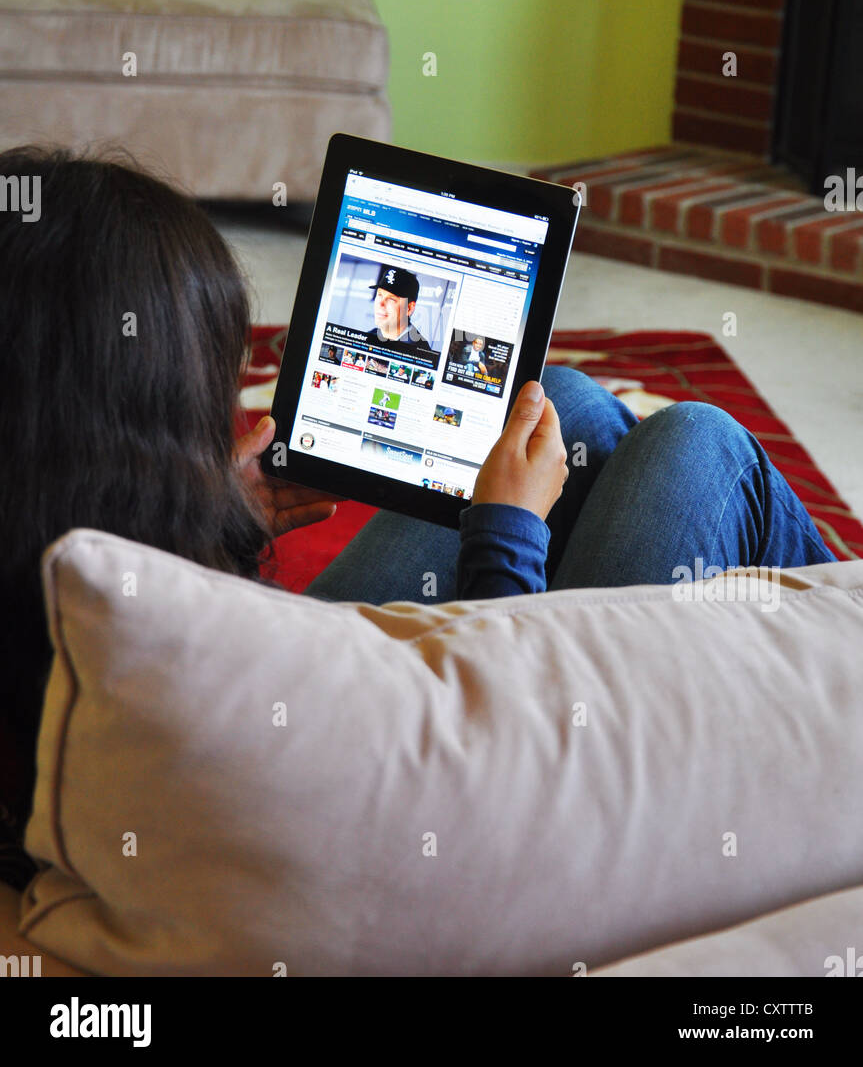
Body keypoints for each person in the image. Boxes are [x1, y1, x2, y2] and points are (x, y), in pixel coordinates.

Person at [0, 146, 835, 892]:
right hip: (483, 805)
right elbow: (499, 770)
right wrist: (505, 533)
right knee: (699, 443)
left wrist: (207, 520)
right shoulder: (174, 701)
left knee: (561, 408)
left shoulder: (52, 614)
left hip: (313, 704)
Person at [364, 265, 433, 352]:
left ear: (409, 308)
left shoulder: (419, 352)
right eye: (380, 295)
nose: (381, 304)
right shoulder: (369, 336)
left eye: (391, 299)